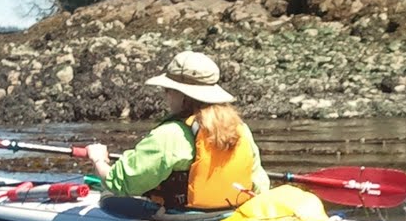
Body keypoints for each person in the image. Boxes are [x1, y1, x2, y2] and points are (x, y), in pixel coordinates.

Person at [85, 51, 269, 212]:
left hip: (182, 220)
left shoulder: (170, 135)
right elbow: (260, 185)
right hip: (231, 212)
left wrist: (98, 159)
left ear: (181, 94)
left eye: (167, 90)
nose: (165, 94)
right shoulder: (239, 128)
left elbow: (119, 182)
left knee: (109, 197)